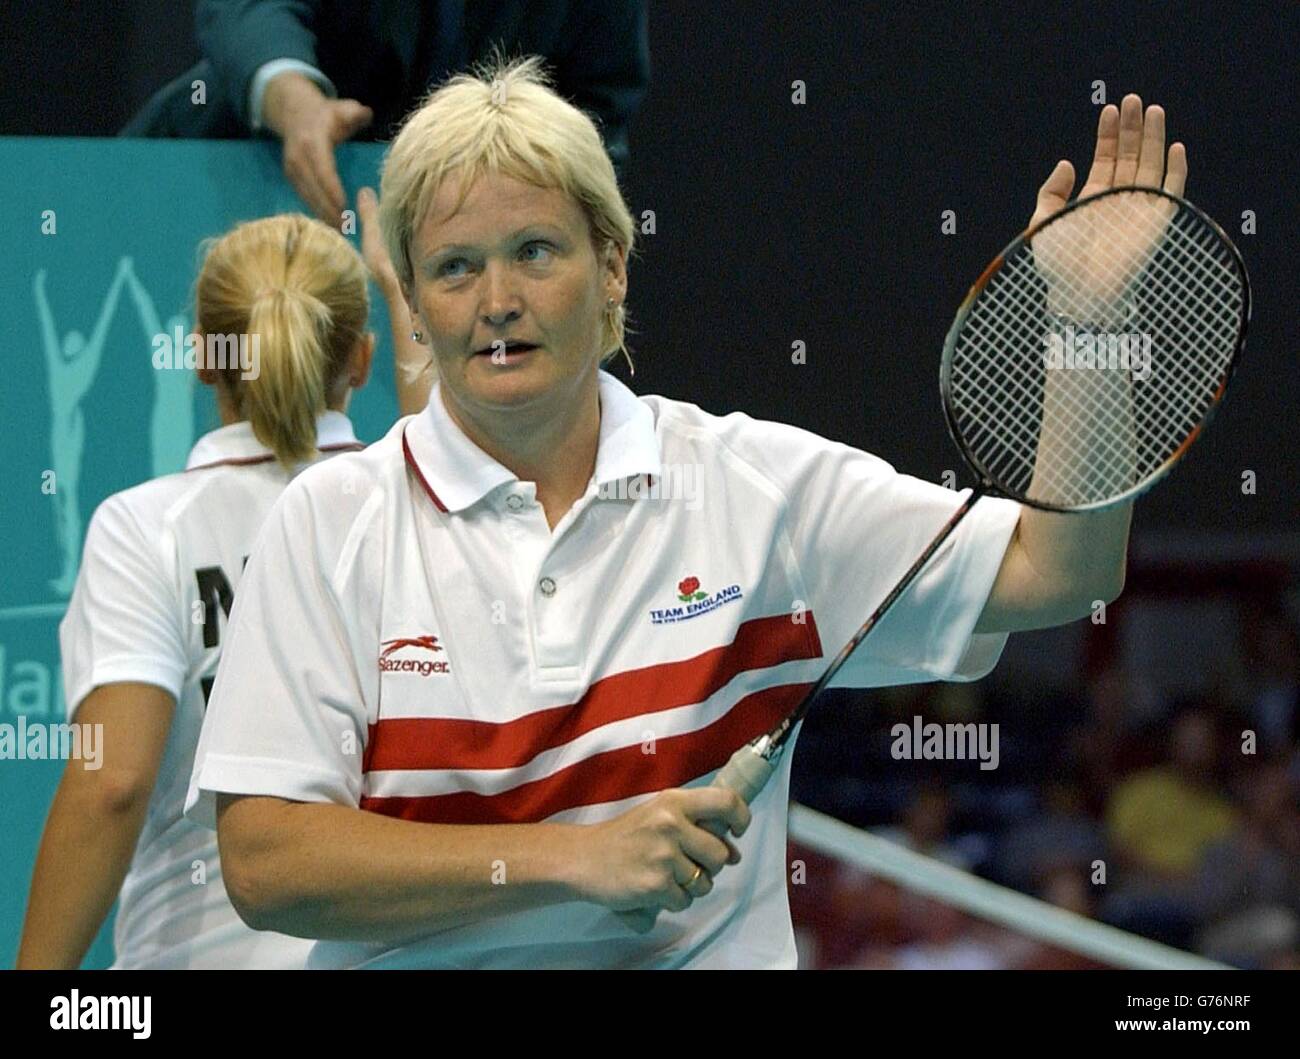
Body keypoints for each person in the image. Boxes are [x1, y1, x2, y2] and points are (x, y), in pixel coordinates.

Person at [185, 56, 1164, 969]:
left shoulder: (757, 491)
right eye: (453, 267)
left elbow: (1058, 571)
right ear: (409, 297)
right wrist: (569, 860)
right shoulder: (330, 524)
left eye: (535, 252)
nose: (496, 300)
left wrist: (1090, 323)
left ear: (611, 265)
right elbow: (267, 863)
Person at [18, 214, 383, 968]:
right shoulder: (416, 513)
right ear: (362, 358)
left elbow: (114, 781)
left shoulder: (149, 527)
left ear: (201, 358)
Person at [122, 1, 649, 224]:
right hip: (226, 178)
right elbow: (250, 9)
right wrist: (297, 101)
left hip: (458, 229)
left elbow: (595, 115)